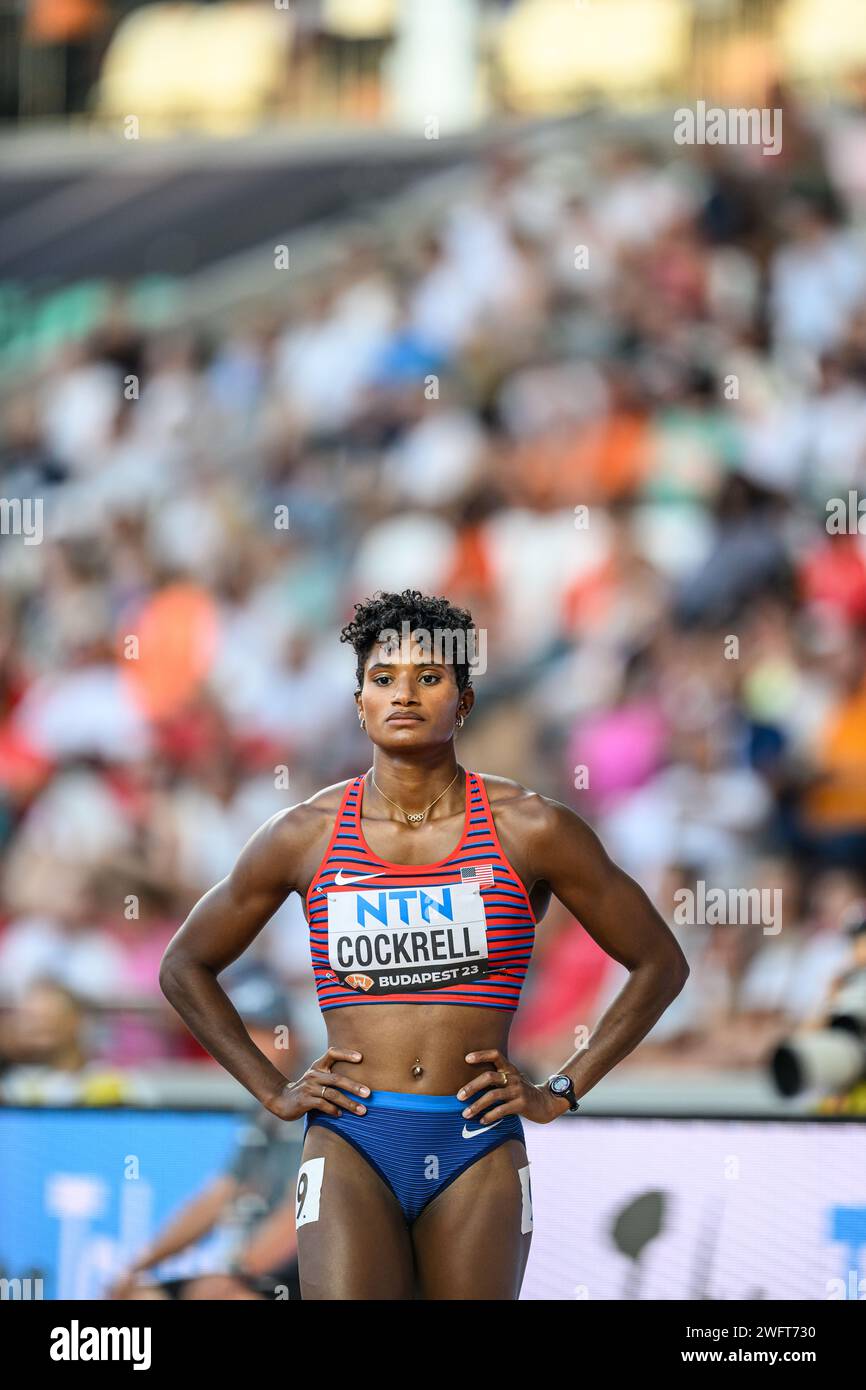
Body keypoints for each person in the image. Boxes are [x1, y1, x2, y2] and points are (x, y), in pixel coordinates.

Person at [159, 589, 689, 1300]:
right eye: (383, 679)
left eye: (429, 678)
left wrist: (562, 1089)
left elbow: (660, 963)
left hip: (475, 1144)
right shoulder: (305, 833)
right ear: (358, 704)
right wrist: (274, 1090)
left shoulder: (531, 828)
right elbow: (184, 966)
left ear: (464, 702)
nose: (403, 695)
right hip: (352, 1139)